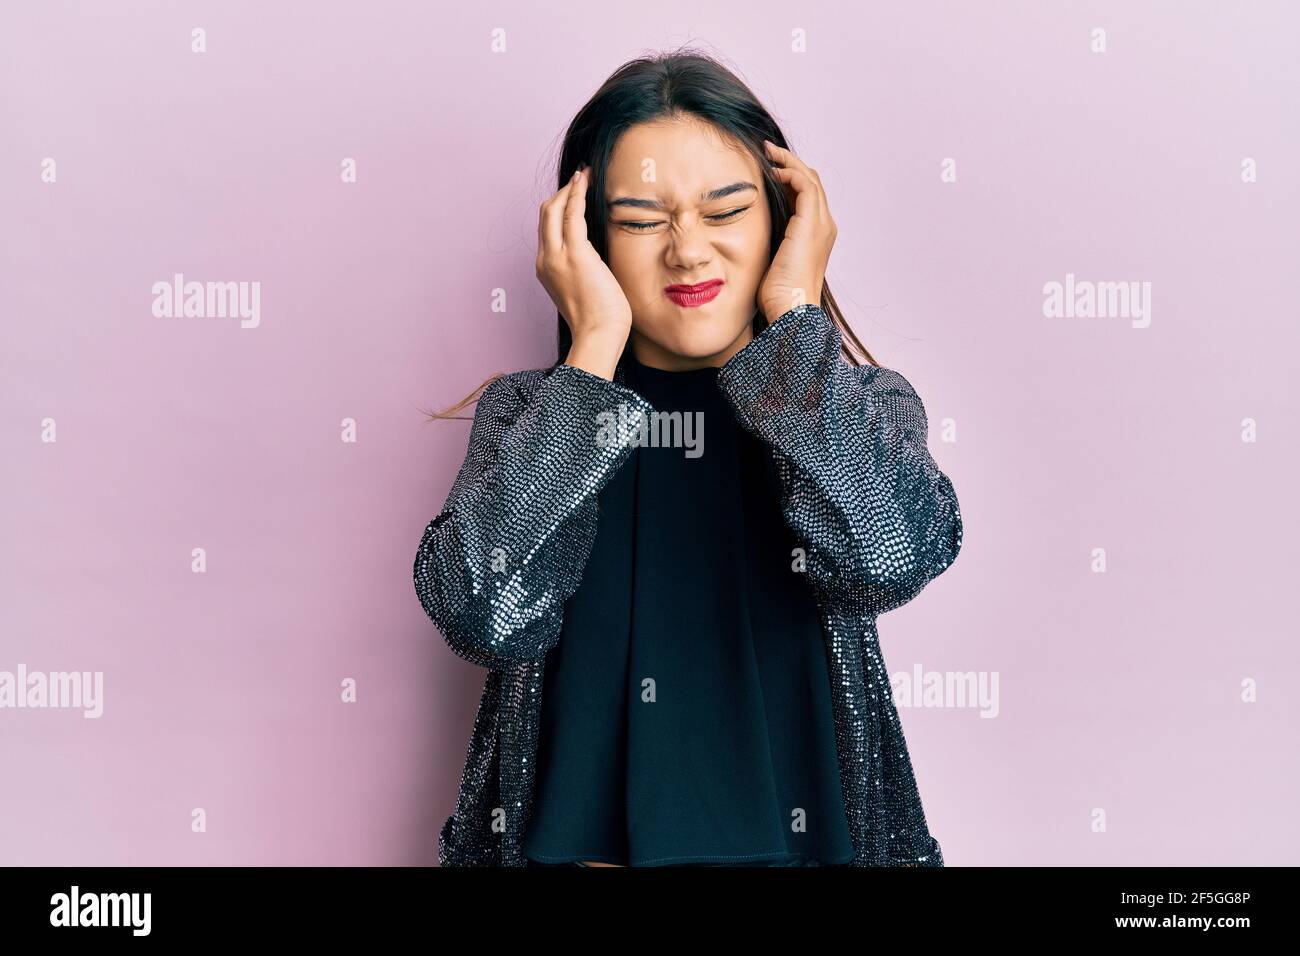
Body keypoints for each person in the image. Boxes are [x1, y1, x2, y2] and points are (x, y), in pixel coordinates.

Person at [414, 48, 964, 868]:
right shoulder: (534, 420)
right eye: (640, 220)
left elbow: (887, 560)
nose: (688, 252)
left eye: (726, 212)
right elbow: (482, 614)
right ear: (587, 242)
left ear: (785, 224)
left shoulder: (858, 409)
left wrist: (793, 318)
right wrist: (593, 349)